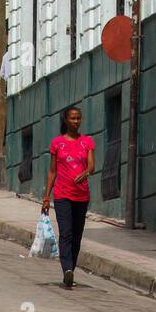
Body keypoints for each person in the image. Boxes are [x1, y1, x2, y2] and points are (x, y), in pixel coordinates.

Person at [42, 105, 95, 288]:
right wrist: (46, 197)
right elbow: (52, 171)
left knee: (77, 235)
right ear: (66, 120)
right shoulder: (57, 143)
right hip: (63, 194)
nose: (76, 121)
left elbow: (92, 166)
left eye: (78, 118)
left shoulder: (87, 141)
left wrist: (86, 172)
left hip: (82, 196)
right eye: (72, 118)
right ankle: (67, 269)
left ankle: (71, 269)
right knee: (66, 232)